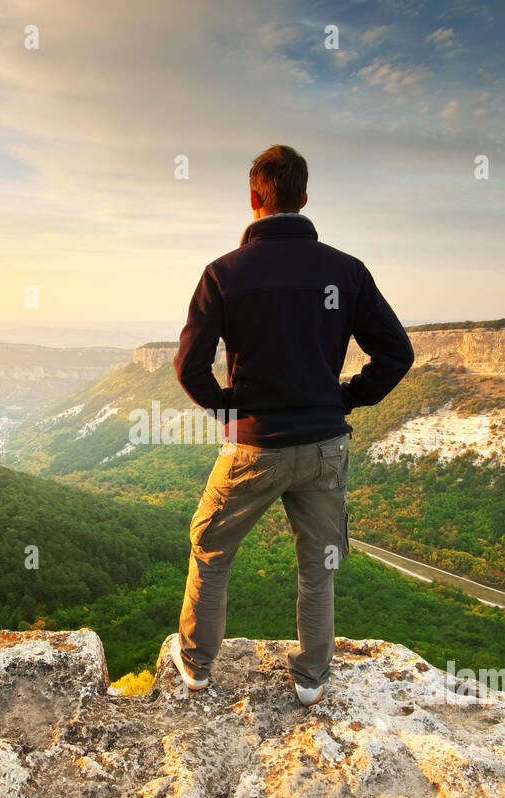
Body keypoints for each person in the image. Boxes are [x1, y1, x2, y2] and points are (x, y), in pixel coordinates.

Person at [168, 143, 414, 706]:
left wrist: (230, 412)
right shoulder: (346, 271)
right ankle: (310, 677)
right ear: (304, 198)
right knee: (318, 564)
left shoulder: (224, 274)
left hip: (254, 445)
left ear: (254, 199)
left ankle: (199, 666)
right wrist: (346, 399)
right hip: (325, 446)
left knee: (210, 550)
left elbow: (188, 365)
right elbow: (396, 354)